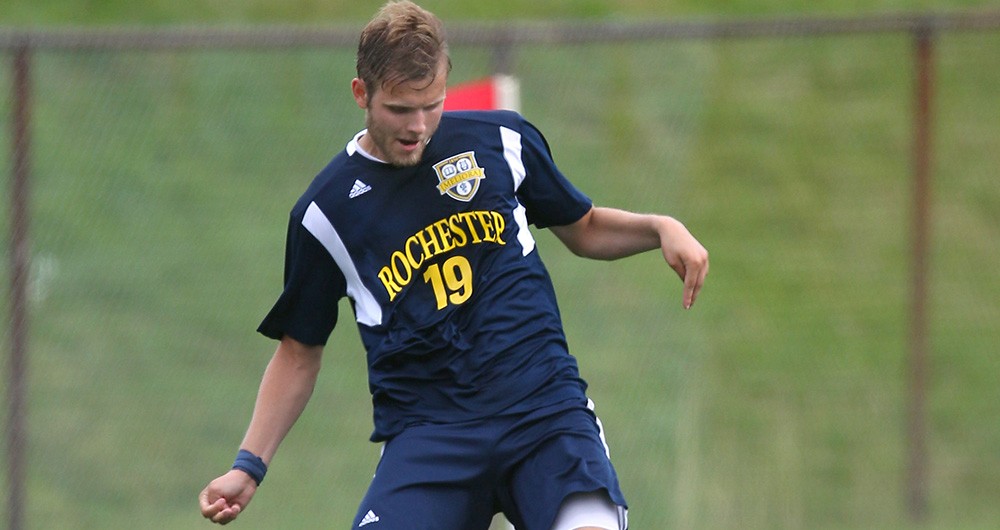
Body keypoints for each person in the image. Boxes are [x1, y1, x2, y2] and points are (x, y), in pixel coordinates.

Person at [198, 1, 708, 529]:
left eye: (432, 105)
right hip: (430, 434)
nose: (418, 126)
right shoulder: (326, 213)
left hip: (543, 413)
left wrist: (659, 228)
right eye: (399, 109)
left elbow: (583, 228)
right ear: (361, 94)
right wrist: (249, 465)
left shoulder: (502, 141)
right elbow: (299, 352)